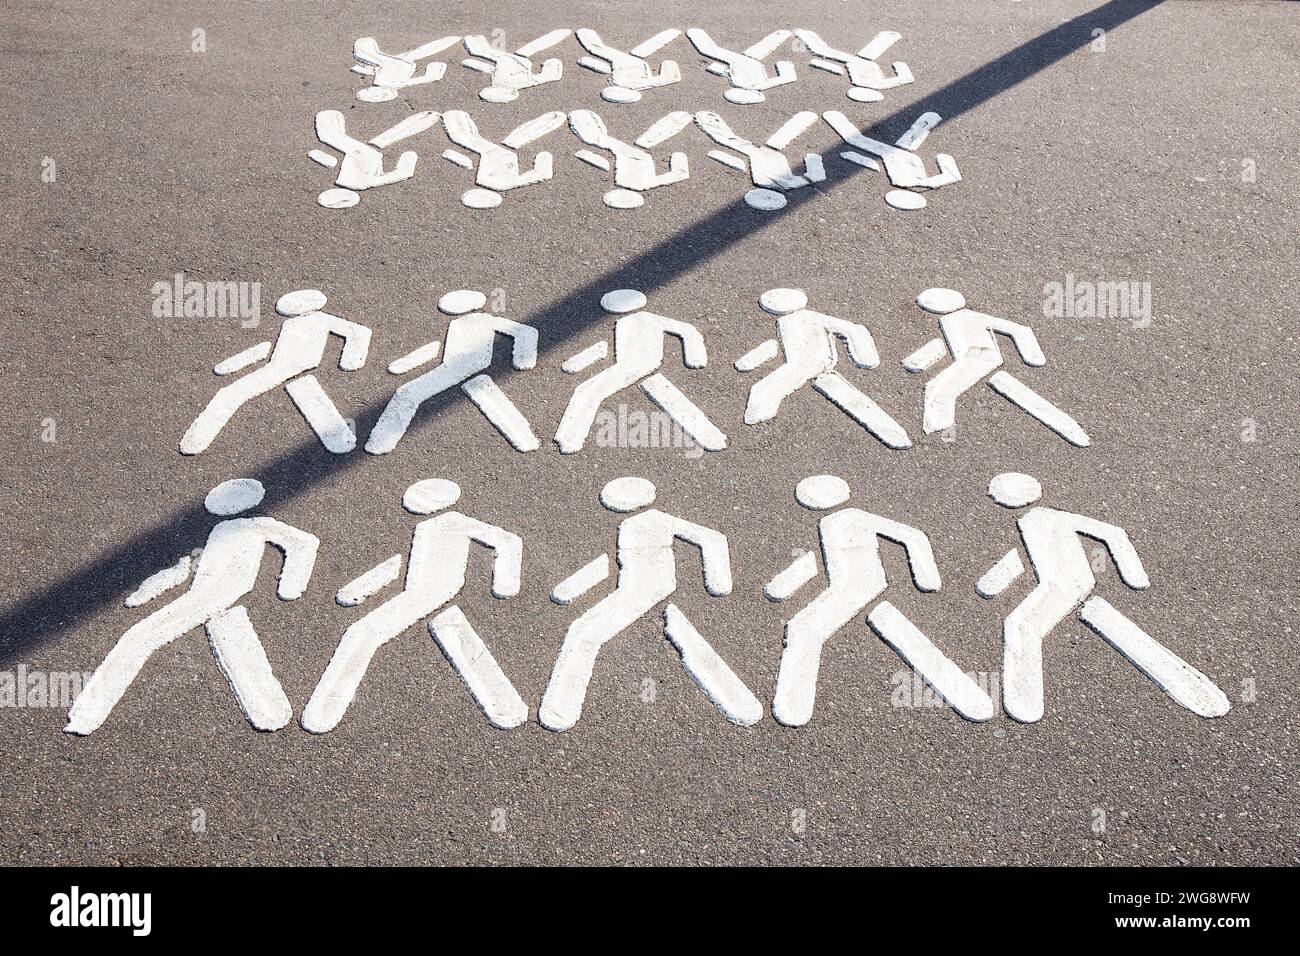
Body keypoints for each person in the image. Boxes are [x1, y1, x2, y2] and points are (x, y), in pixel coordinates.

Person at [65, 479, 319, 735]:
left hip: (218, 594)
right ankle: (271, 711)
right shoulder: (220, 530)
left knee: (141, 636)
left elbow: (303, 543)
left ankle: (88, 714)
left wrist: (290, 585)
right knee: (225, 634)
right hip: (206, 595)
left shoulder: (254, 526)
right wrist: (149, 591)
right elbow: (186, 569)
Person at [978, 471, 1230, 722]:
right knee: (1106, 622)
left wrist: (1133, 573)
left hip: (1060, 587)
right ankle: (1177, 678)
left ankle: (1024, 699)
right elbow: (1024, 560)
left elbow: (1110, 534)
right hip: (1076, 585)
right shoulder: (1034, 520)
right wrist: (993, 582)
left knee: (1022, 624)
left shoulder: (1042, 519)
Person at [302, 479, 527, 732]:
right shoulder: (426, 527)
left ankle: (325, 709)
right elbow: (401, 565)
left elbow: (506, 541)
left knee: (365, 632)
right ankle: (504, 702)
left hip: (434, 591)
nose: (415, 501)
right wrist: (363, 587)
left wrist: (504, 584)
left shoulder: (455, 521)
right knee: (374, 632)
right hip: (419, 591)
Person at [768, 474, 993, 725]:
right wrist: (783, 586)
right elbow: (823, 564)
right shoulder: (833, 522)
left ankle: (793, 704)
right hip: (852, 588)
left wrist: (926, 576)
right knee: (900, 634)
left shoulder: (850, 518)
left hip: (858, 588)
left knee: (807, 628)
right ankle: (967, 696)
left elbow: (910, 536)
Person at [540, 477, 761, 731]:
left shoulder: (654, 520)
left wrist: (719, 581)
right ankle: (739, 702)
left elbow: (711, 539)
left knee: (586, 632)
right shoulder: (633, 524)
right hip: (641, 588)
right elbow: (612, 565)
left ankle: (561, 706)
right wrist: (571, 588)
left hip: (647, 590)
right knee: (687, 640)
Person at [180, 290, 370, 455]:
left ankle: (198, 439)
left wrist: (350, 361)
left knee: (233, 393)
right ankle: (340, 441)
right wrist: (237, 362)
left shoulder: (320, 319)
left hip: (292, 366)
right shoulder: (291, 324)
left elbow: (358, 332)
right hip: (280, 365)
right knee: (305, 394)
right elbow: (271, 350)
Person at [902, 288, 1090, 446]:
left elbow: (1018, 331)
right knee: (943, 389)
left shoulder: (963, 318)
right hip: (973, 360)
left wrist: (1031, 355)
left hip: (980, 359)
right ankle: (940, 428)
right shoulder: (952, 320)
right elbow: (945, 346)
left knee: (942, 390)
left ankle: (941, 429)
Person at [366, 289, 539, 455]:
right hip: (454, 367)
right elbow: (441, 350)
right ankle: (526, 440)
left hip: (464, 367)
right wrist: (409, 362)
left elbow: (526, 332)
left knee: (409, 393)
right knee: (491, 400)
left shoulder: (483, 319)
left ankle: (380, 441)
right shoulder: (458, 323)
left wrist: (523, 360)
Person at [555, 289, 726, 454]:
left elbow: (687, 330)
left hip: (638, 366)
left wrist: (694, 358)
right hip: (631, 366)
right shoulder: (624, 322)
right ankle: (712, 437)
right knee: (667, 396)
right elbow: (605, 348)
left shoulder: (645, 318)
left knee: (588, 391)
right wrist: (578, 363)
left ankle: (569, 438)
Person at [737, 288, 910, 448]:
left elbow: (853, 330)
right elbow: (852, 330)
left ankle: (895, 435)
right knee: (840, 391)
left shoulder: (809, 317)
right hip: (804, 365)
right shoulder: (787, 322)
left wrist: (865, 358)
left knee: (765, 390)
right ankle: (894, 435)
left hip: (810, 363)